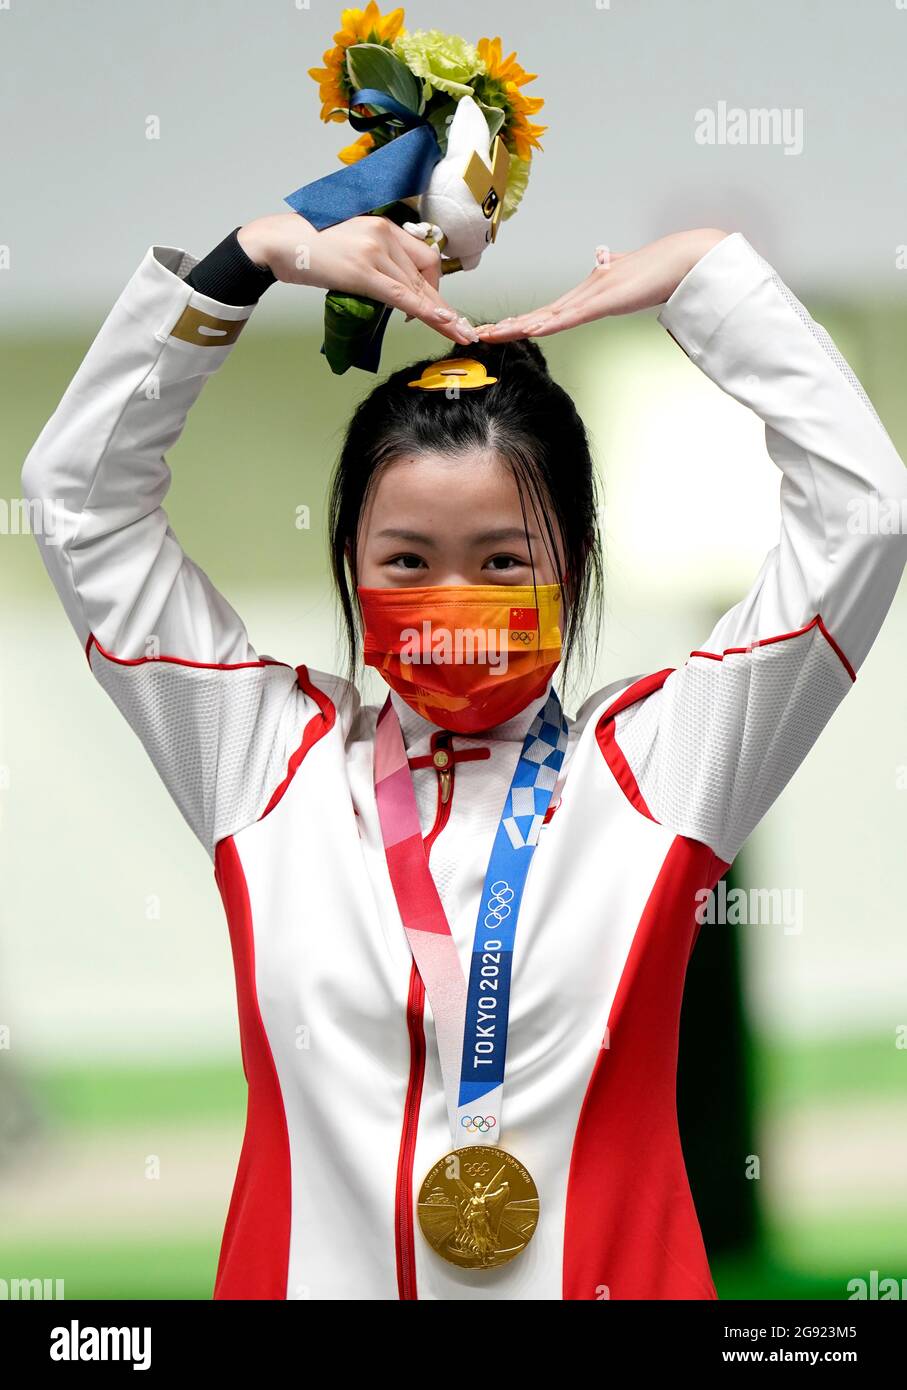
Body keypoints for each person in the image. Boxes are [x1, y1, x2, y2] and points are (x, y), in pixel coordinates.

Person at [21, 212, 907, 1301]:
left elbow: (864, 516)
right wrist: (244, 263)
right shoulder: (263, 766)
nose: (454, 599)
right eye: (407, 559)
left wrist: (706, 281)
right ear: (350, 566)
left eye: (501, 559)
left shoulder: (658, 773)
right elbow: (73, 507)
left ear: (576, 565)